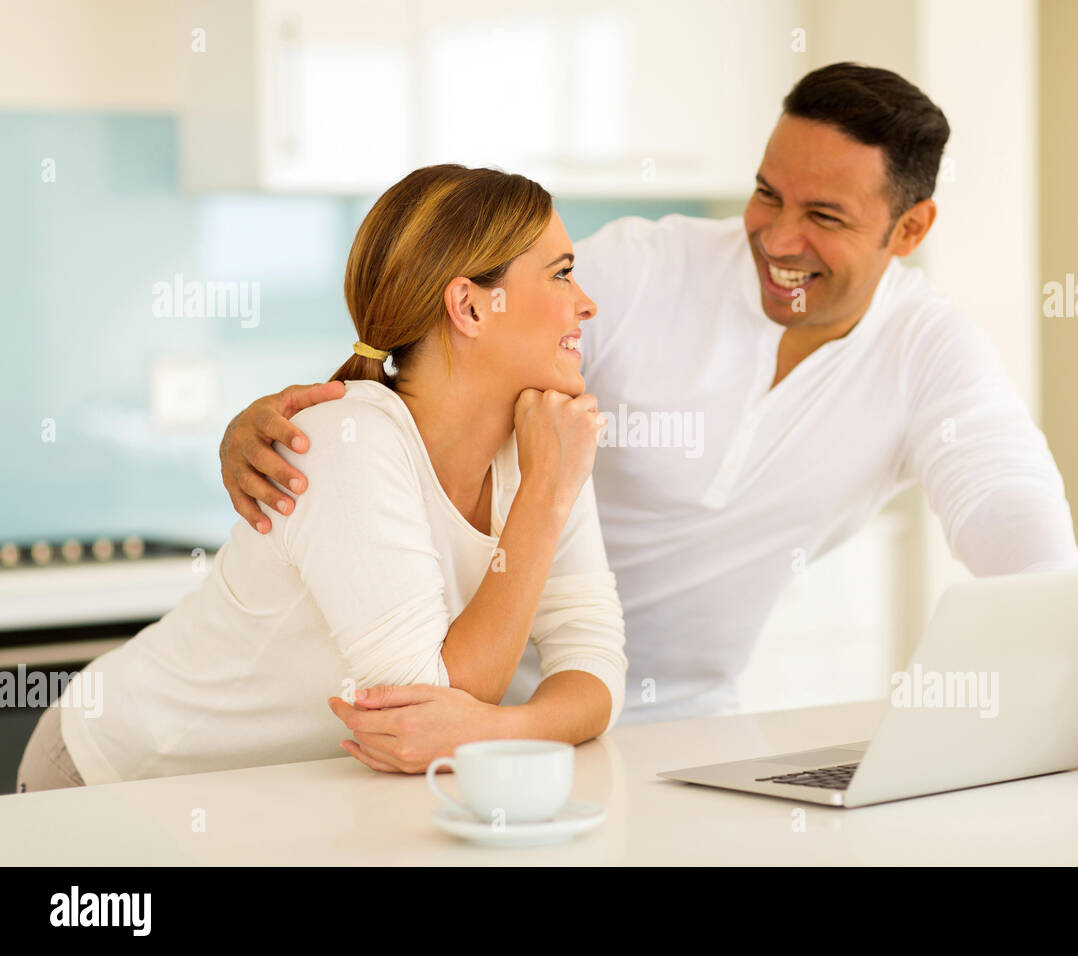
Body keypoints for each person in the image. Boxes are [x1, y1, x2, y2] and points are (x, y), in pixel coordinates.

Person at [219, 64, 1078, 773]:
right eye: (766, 194)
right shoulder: (642, 272)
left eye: (824, 215)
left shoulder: (929, 349)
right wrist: (292, 409)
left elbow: (1010, 507)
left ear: (910, 226)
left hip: (673, 727)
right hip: (456, 707)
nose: (776, 237)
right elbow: (452, 326)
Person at [16, 164, 626, 791]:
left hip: (276, 797)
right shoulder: (346, 443)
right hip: (119, 775)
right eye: (561, 274)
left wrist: (501, 732)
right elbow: (418, 706)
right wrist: (545, 495)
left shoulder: (543, 442)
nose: (587, 302)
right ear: (470, 306)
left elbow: (594, 664)